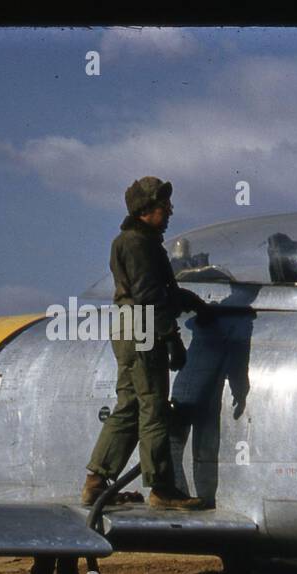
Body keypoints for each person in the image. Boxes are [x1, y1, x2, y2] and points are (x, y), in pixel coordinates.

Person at [83, 176, 214, 510]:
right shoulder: (138, 244)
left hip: (129, 327)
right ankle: (161, 488)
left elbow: (153, 292)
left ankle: (96, 482)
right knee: (153, 408)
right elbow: (149, 296)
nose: (169, 210)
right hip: (144, 328)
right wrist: (170, 336)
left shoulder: (134, 241)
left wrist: (190, 300)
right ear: (145, 210)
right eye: (162, 205)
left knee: (129, 406)